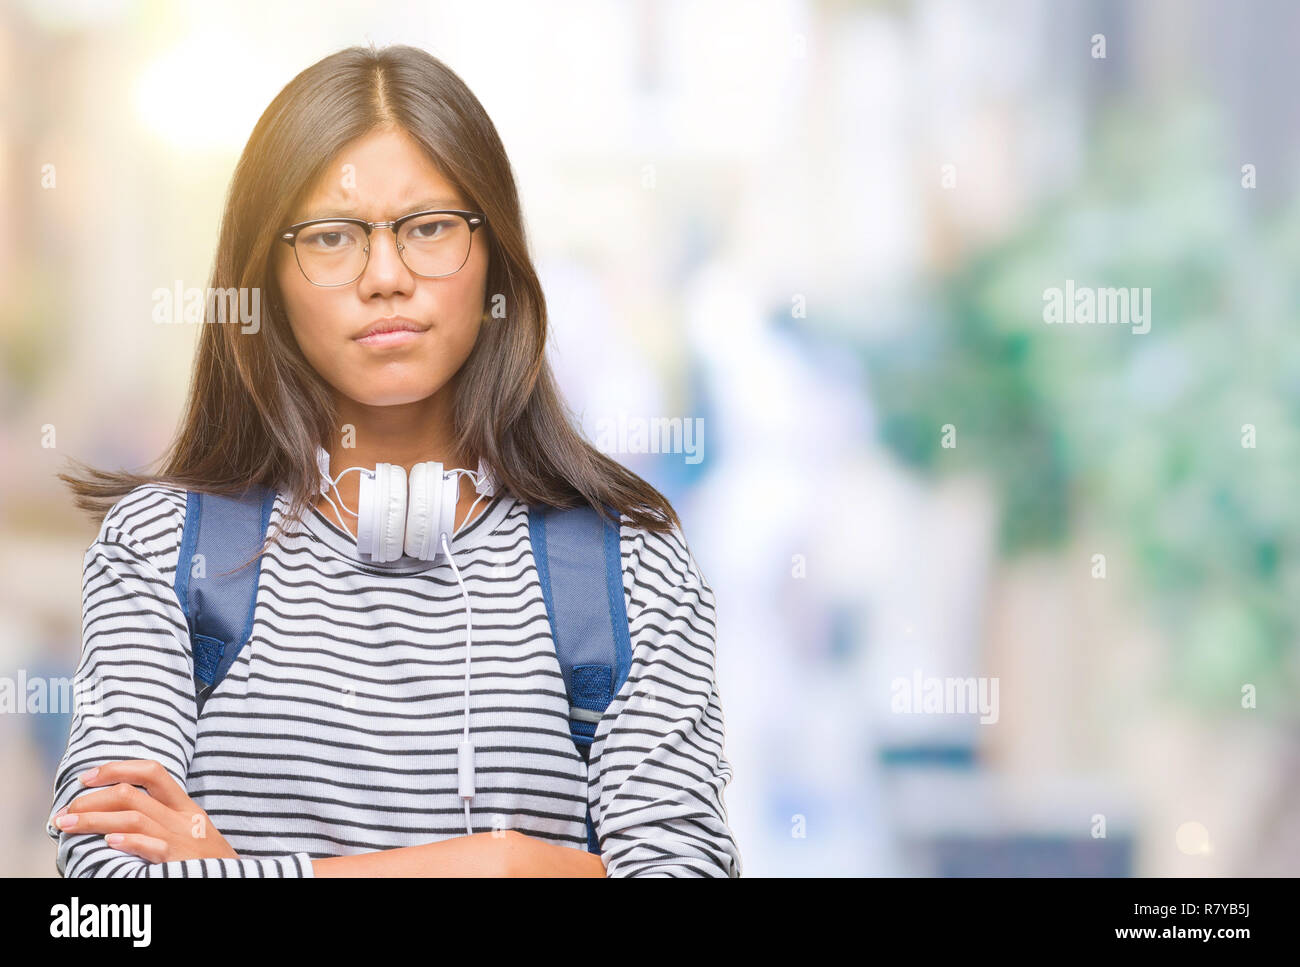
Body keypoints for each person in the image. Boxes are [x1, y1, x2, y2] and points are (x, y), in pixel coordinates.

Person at [47, 43, 741, 878]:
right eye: (333, 237)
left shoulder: (630, 567)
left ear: (495, 258)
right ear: (265, 276)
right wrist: (507, 868)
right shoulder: (162, 549)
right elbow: (107, 900)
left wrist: (231, 868)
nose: (386, 276)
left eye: (430, 228)